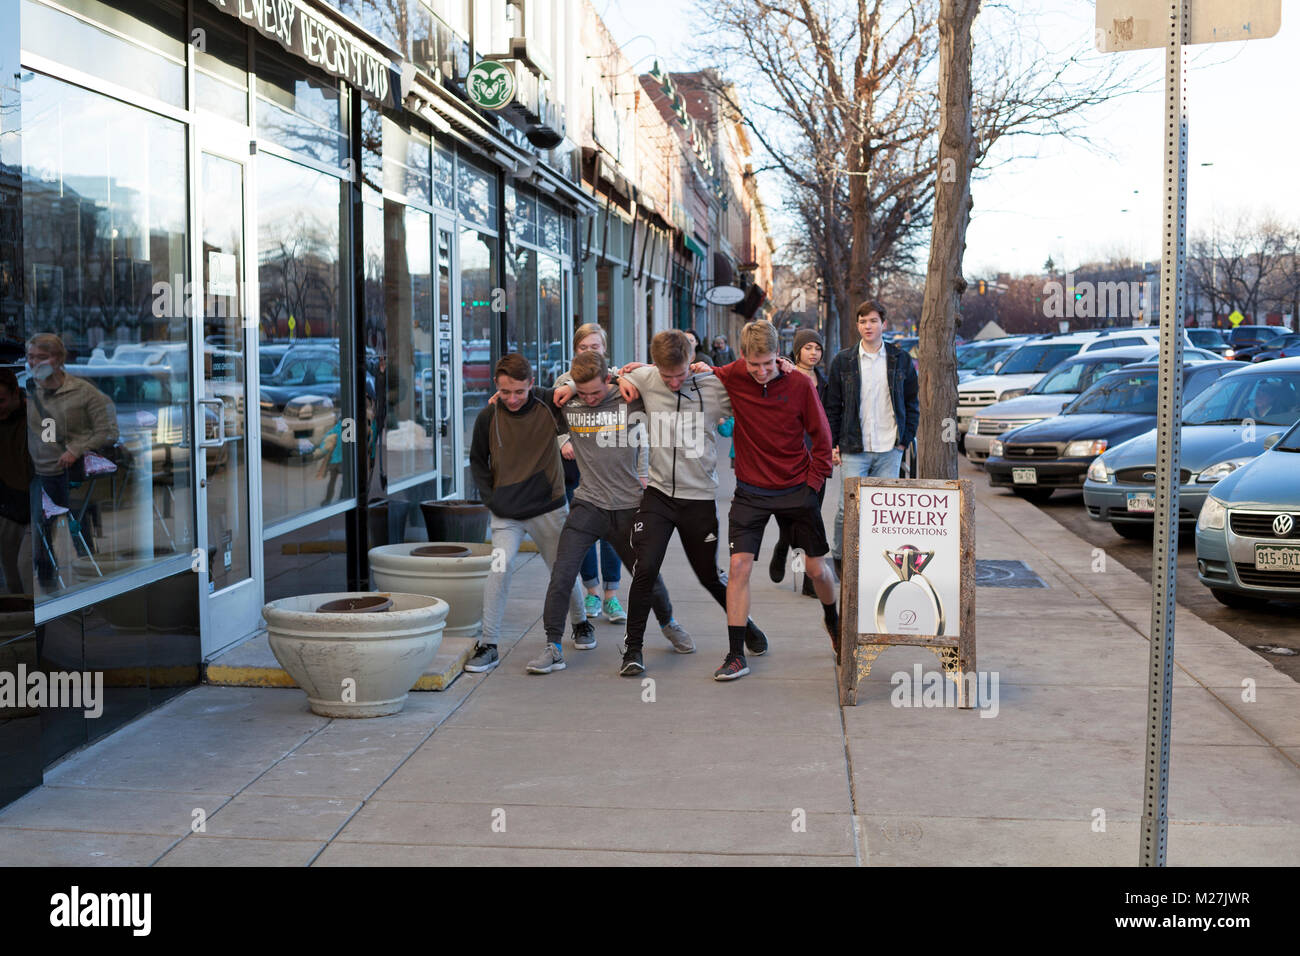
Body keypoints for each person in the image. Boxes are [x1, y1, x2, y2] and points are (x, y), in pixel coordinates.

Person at [610, 330, 768, 677]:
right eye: (667, 376)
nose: (674, 382)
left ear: (690, 362)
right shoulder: (646, 377)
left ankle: (748, 627)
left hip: (699, 499)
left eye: (680, 374)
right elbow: (599, 375)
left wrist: (783, 365)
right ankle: (633, 650)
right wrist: (619, 375)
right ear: (655, 366)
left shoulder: (712, 386)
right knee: (645, 567)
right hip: (660, 494)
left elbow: (758, 383)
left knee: (709, 575)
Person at [527, 350, 694, 675]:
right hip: (588, 505)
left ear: (607, 380)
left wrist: (622, 377)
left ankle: (669, 622)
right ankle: (553, 646)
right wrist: (571, 388)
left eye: (596, 392)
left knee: (646, 576)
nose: (589, 399)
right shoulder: (567, 400)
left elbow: (670, 378)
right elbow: (523, 388)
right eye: (583, 392)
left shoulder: (629, 395)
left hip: (630, 506)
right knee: (562, 573)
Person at [694, 320, 838, 677]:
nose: (761, 372)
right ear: (743, 357)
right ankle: (735, 654)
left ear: (780, 355)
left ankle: (834, 622)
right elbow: (675, 369)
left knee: (817, 569)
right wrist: (630, 370)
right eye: (754, 365)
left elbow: (821, 436)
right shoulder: (733, 374)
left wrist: (814, 483)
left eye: (769, 363)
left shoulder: (801, 384)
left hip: (796, 489)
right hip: (751, 491)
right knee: (739, 566)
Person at [465, 353, 590, 673]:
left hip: (548, 508)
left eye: (519, 391)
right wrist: (490, 498)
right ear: (496, 385)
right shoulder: (488, 416)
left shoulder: (549, 402)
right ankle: (489, 643)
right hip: (506, 513)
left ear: (532, 384)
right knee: (499, 567)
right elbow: (478, 461)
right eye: (505, 391)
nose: (512, 398)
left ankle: (581, 623)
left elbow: (597, 381)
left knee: (562, 571)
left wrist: (574, 385)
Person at [824, 301, 919, 578]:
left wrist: (904, 439)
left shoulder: (900, 359)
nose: (868, 326)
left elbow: (913, 402)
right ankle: (842, 559)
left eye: (874, 321)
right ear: (857, 326)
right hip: (854, 447)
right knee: (847, 508)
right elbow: (833, 406)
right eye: (863, 321)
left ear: (884, 324)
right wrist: (834, 444)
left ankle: (879, 564)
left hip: (890, 448)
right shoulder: (844, 361)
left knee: (884, 514)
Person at [24, 333, 118, 590]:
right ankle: (47, 593)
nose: (33, 363)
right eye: (30, 357)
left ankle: (92, 588)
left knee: (80, 533)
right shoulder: (30, 390)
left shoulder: (83, 392)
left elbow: (108, 431)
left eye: (41, 357)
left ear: (58, 359)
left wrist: (77, 448)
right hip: (38, 474)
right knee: (40, 537)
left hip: (69, 474)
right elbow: (46, 431)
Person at [565, 323, 627, 623]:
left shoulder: (617, 380)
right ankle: (591, 592)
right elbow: (553, 416)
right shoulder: (563, 382)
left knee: (612, 536)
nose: (589, 352)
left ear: (604, 349)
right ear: (575, 350)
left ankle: (611, 596)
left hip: (611, 471)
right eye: (583, 347)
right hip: (577, 469)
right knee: (585, 535)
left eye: (595, 347)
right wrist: (564, 441)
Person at [769, 328, 830, 597]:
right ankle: (783, 544)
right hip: (791, 456)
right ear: (797, 351)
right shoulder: (785, 377)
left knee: (812, 515)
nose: (813, 353)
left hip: (816, 456)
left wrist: (834, 446)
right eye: (808, 348)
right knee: (791, 515)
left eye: (817, 348)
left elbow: (831, 418)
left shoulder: (825, 383)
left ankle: (809, 581)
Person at [0, 368, 33, 594]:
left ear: (15, 394)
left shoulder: (38, 415)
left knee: (26, 568)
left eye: (0, 400)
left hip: (35, 505)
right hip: (7, 507)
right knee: (13, 579)